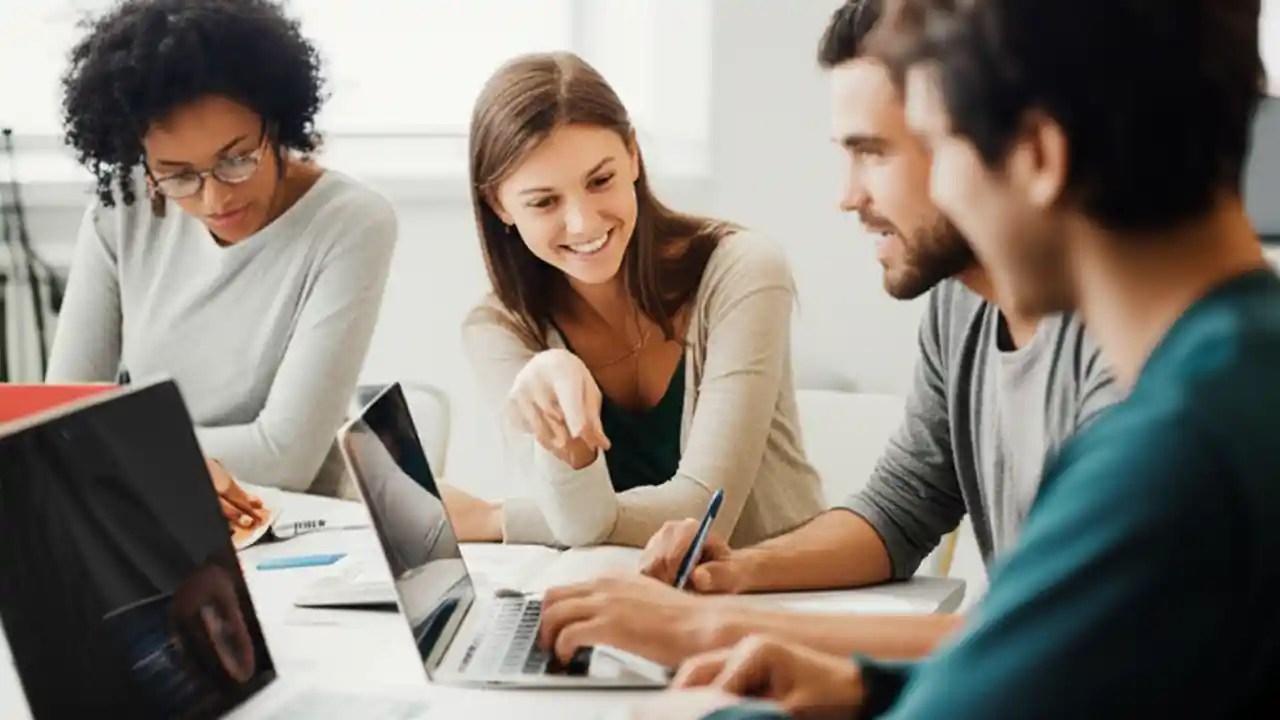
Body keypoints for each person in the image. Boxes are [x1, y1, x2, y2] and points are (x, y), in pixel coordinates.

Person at [655, 0, 1280, 717]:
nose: (941, 190)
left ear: (1038, 156)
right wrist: (864, 689)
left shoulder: (1174, 450)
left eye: (940, 143)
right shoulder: (1236, 373)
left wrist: (699, 713)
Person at [534, 0, 1118, 667]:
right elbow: (900, 510)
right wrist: (738, 573)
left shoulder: (1125, 355)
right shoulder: (962, 304)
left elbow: (1054, 637)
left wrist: (713, 631)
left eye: (872, 153)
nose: (846, 195)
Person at [439, 51, 825, 548]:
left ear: (633, 156)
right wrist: (555, 377)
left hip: (777, 594)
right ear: (499, 204)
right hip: (627, 600)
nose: (583, 223)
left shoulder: (744, 270)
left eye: (601, 181)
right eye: (544, 201)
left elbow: (702, 520)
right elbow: (568, 519)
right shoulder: (499, 329)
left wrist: (497, 520)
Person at [46, 0, 398, 528]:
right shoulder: (121, 212)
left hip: (288, 523)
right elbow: (57, 424)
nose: (213, 200)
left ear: (277, 123)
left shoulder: (350, 222)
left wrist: (112, 456)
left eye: (236, 159)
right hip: (147, 516)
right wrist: (150, 468)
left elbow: (285, 456)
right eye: (177, 174)